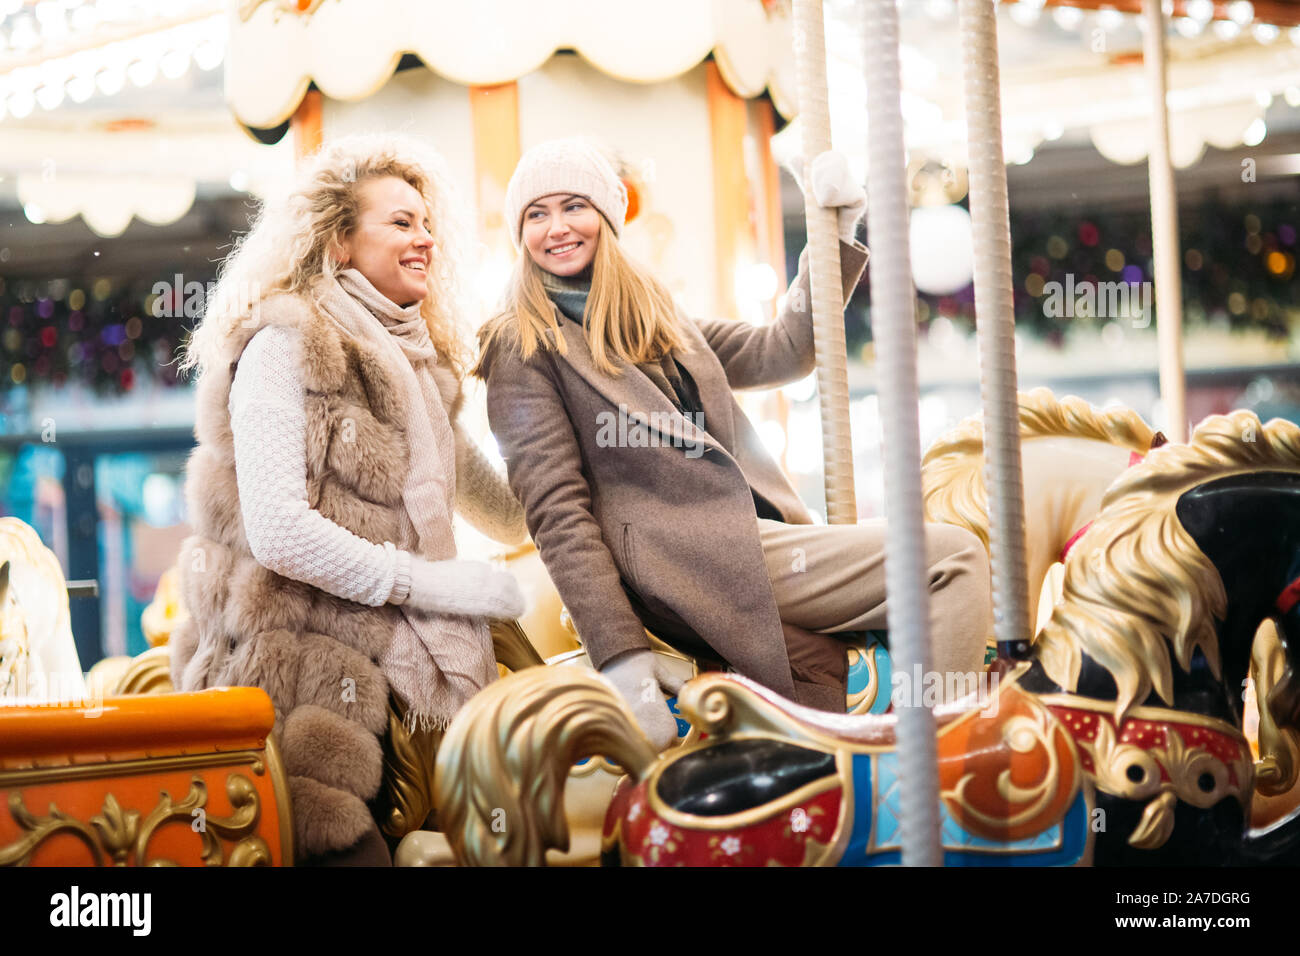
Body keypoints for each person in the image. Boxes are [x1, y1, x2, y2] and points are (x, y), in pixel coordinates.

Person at [476, 138, 991, 751]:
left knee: (929, 582)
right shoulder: (523, 344)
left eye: (573, 207)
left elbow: (784, 350)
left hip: (746, 537)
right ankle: (942, 773)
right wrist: (624, 663)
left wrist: (834, 231)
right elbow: (557, 513)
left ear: (606, 220)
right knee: (952, 557)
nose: (556, 228)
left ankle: (900, 750)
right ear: (520, 232)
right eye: (536, 214)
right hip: (687, 561)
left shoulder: (653, 315)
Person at [172, 133, 527, 865]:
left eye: (427, 223)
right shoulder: (284, 345)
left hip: (386, 658)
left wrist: (559, 432)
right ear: (338, 240)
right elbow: (278, 531)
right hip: (298, 674)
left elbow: (502, 507)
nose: (424, 238)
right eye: (400, 222)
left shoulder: (415, 366)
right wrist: (431, 582)